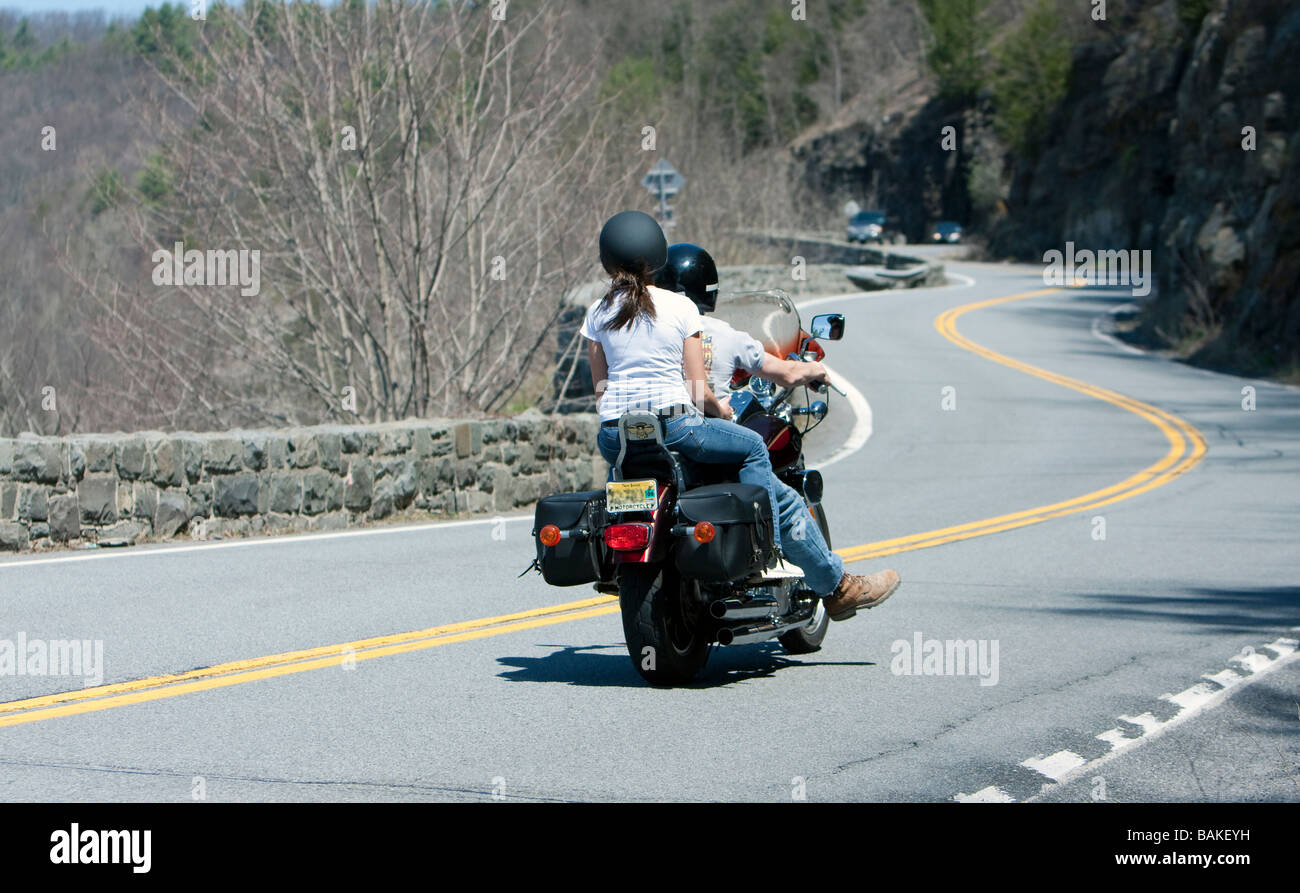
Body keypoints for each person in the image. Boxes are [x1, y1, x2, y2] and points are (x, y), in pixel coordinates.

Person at [584, 216, 896, 620]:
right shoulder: (680, 307)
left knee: (626, 465)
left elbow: (602, 391)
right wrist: (721, 410)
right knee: (751, 446)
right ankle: (768, 543)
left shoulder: (597, 311)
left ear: (607, 259)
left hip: (616, 435)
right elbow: (697, 391)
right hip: (677, 426)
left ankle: (623, 546)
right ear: (656, 257)